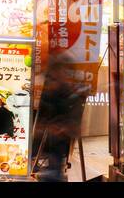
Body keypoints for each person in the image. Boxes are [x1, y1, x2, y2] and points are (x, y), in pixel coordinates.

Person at [35, 51, 86, 182]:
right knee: (52, 172)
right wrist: (45, 127)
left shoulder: (69, 93)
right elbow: (41, 119)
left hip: (57, 146)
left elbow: (75, 125)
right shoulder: (50, 92)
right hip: (47, 146)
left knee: (54, 172)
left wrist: (62, 128)